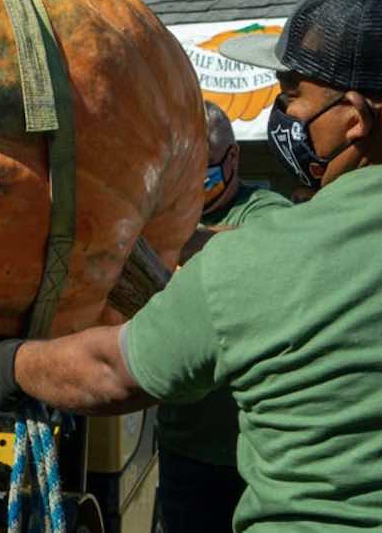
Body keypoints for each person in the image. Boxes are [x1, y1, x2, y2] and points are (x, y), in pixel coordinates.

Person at [0, 0, 382, 531]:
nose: (284, 116)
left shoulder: (263, 256)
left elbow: (111, 372)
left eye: (291, 95)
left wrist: (6, 363)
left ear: (354, 119)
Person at [157, 104, 290, 532]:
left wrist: (177, 241)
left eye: (204, 167)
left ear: (233, 159)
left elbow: (273, 244)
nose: (192, 180)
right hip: (184, 450)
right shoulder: (168, 216)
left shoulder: (265, 210)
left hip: (253, 457)